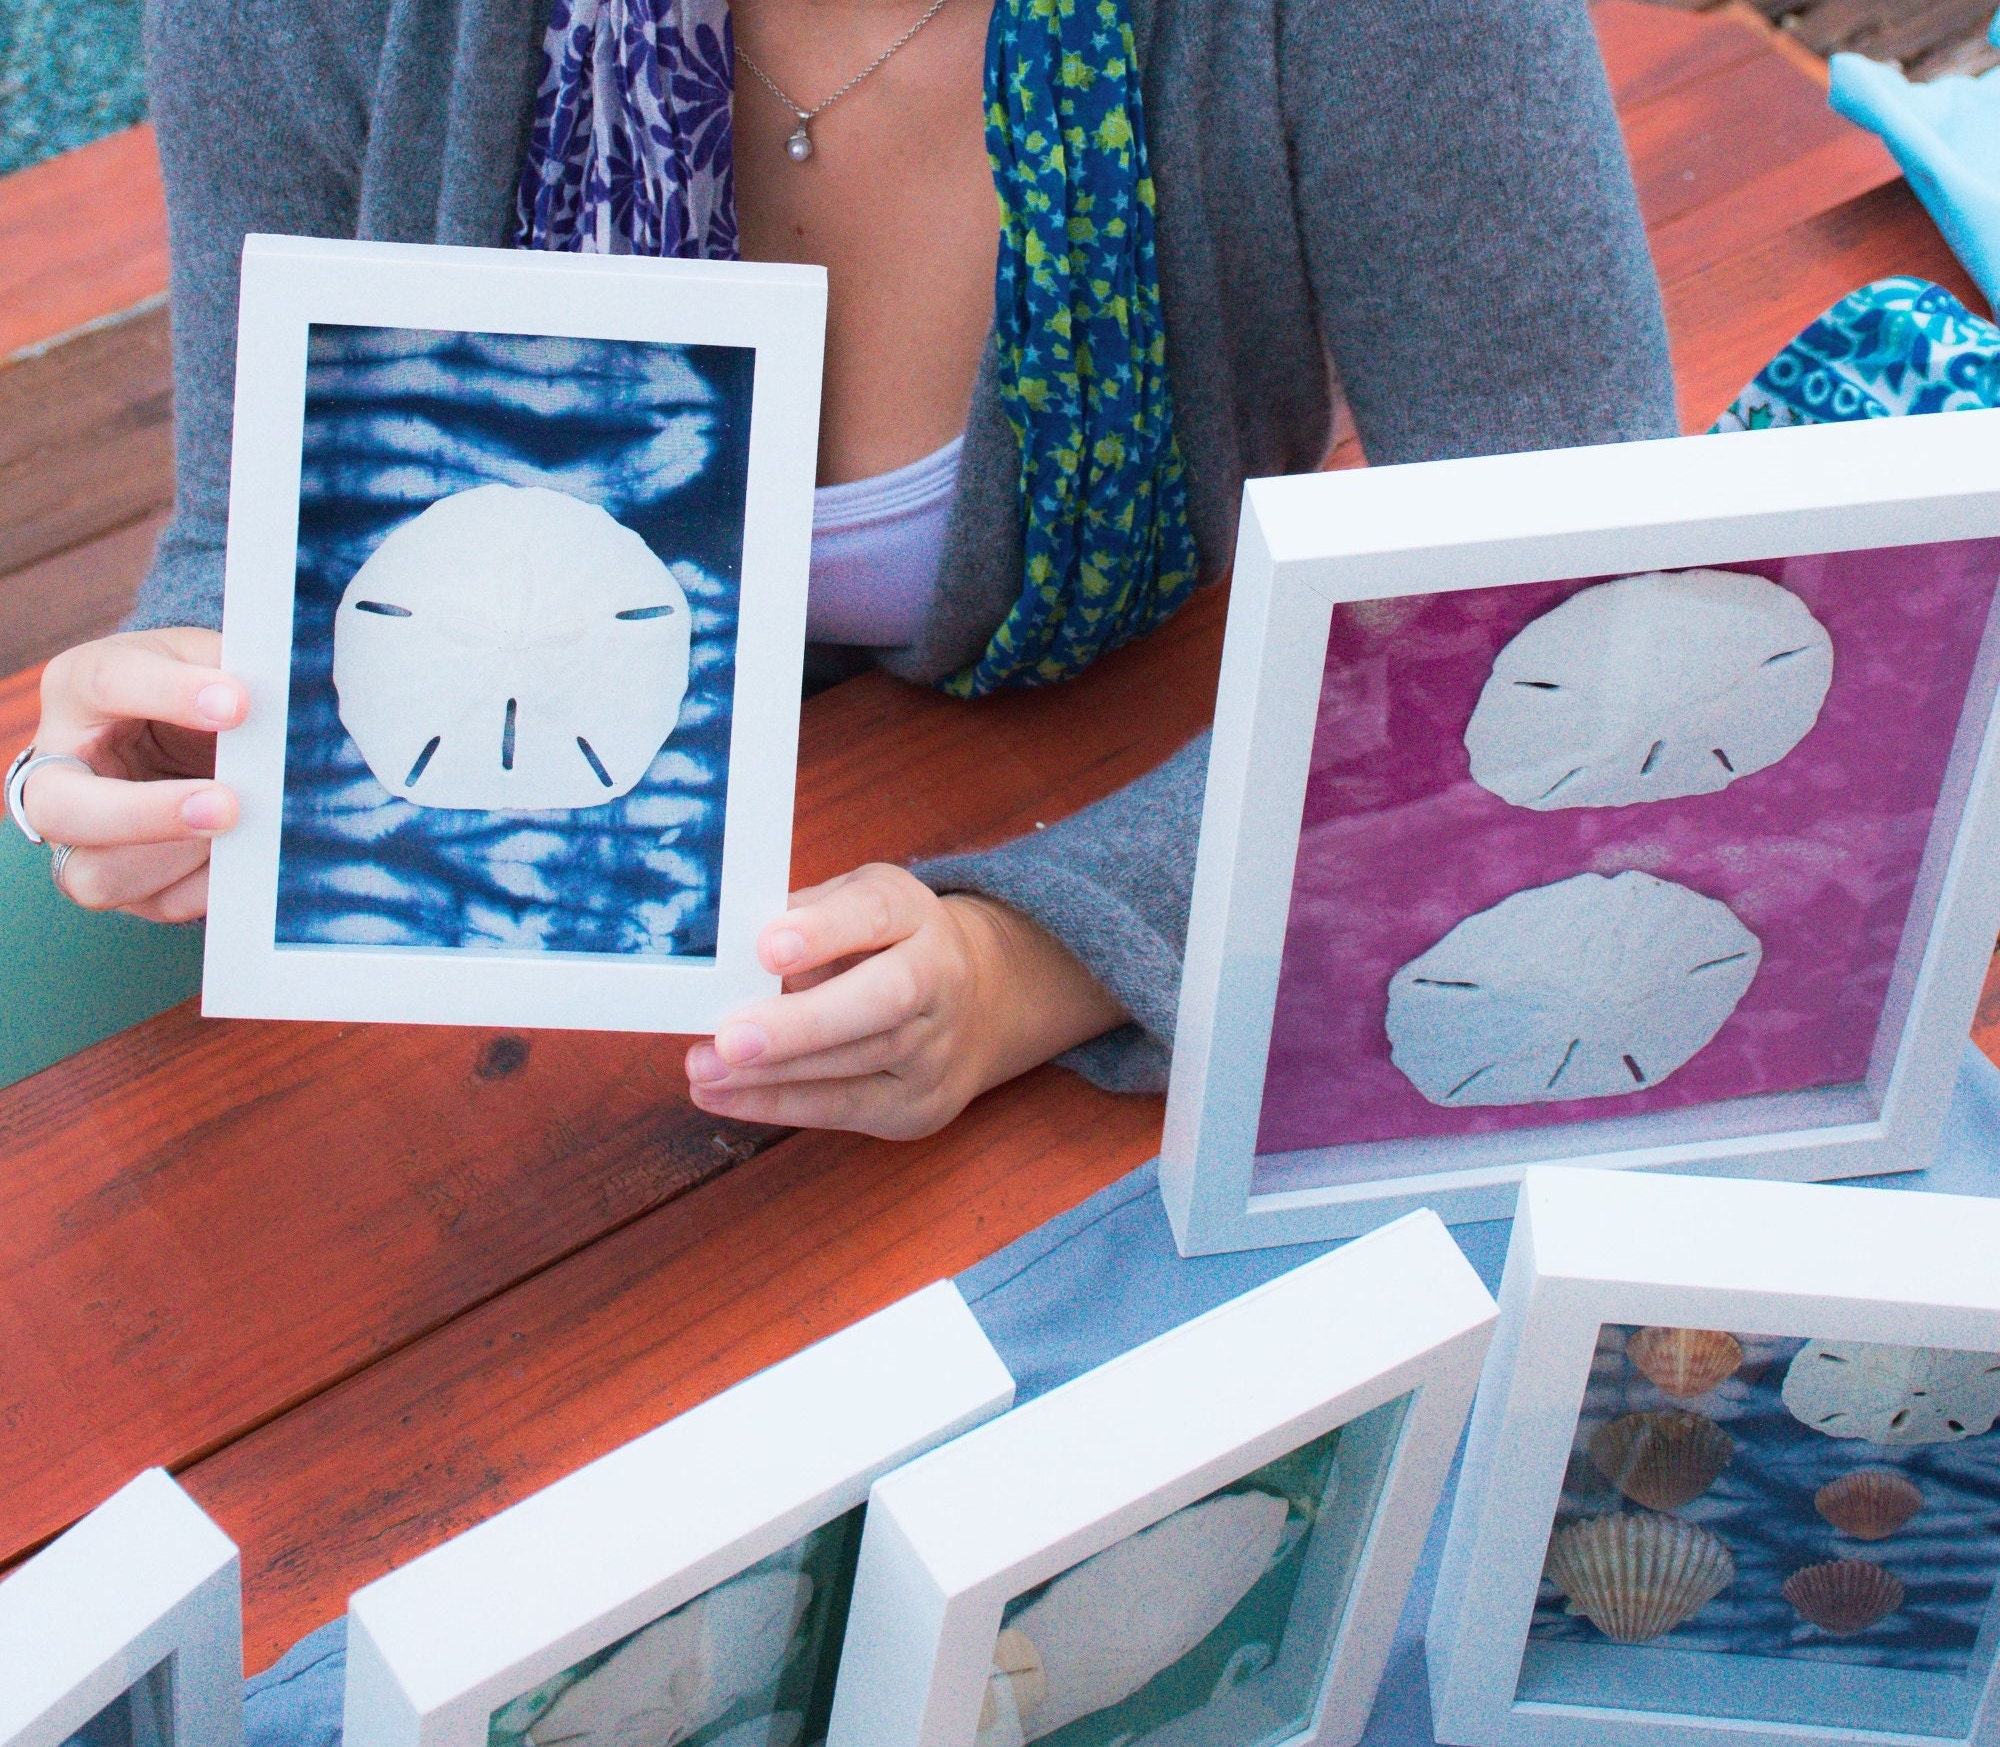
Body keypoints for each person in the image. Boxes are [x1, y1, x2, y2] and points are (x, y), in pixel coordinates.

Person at [8, 0, 1677, 1136]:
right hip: (502, 1086)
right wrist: (183, 715)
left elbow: (1561, 590)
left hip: (1142, 818)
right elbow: (266, 520)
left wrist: (1044, 956)